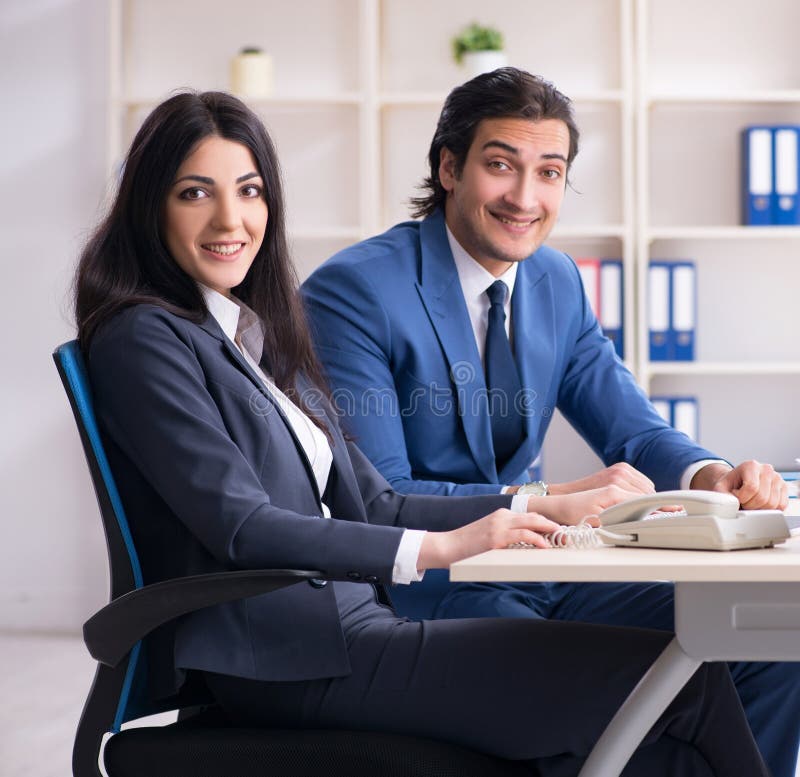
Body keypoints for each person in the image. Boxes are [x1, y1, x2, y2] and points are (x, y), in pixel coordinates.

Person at [71, 89, 771, 776]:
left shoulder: (252, 332)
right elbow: (242, 525)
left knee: (719, 681)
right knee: (686, 683)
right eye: (196, 192)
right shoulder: (149, 337)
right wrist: (448, 543)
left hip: (353, 625)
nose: (231, 217)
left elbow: (376, 502)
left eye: (249, 190)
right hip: (299, 647)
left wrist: (541, 504)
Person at [301, 68, 800, 777]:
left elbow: (634, 429)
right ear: (449, 167)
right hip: (435, 591)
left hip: (550, 569)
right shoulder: (356, 291)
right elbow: (377, 501)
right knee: (636, 722)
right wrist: (542, 501)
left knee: (765, 645)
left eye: (550, 172)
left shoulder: (556, 281)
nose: (525, 198)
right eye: (500, 165)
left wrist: (714, 474)